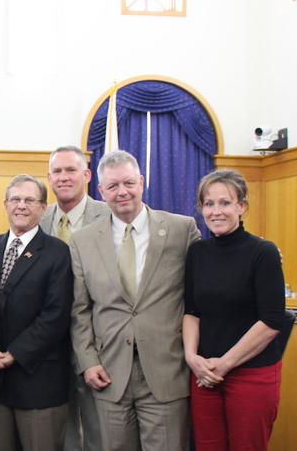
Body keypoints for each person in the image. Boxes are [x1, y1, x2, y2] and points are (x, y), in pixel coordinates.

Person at [69, 150, 200, 451]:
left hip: (167, 371)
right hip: (109, 374)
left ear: (141, 182)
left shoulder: (181, 230)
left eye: (128, 182)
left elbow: (209, 280)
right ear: (100, 191)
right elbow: (79, 310)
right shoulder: (83, 241)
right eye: (112, 186)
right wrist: (88, 362)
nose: (122, 192)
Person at [0, 174, 73, 451]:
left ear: (43, 208)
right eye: (15, 199)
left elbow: (56, 315)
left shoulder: (58, 253)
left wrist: (13, 355)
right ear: (5, 204)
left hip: (38, 381)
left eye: (29, 200)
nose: (21, 206)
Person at [183, 169, 286, 450]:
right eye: (209, 203)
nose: (216, 211)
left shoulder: (263, 252)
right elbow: (191, 311)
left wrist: (225, 364)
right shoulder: (197, 253)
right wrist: (192, 358)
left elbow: (272, 320)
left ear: (242, 206)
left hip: (251, 374)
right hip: (205, 375)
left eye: (225, 203)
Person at [39, 146, 109, 451]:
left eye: (71, 170)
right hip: (49, 341)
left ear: (87, 175)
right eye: (57, 171)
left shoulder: (109, 215)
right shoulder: (39, 219)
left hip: (99, 339)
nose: (63, 177)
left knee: (98, 426)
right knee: (59, 424)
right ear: (49, 177)